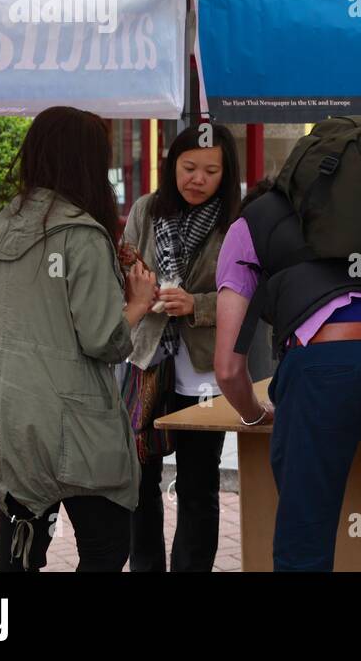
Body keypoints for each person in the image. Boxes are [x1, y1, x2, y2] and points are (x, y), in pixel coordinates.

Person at [212, 138, 361, 572]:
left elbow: (228, 368)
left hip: (331, 354)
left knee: (305, 533)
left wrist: (251, 413)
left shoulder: (250, 224)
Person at [0, 106, 156, 572]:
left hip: (4, 409)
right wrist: (135, 300)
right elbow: (103, 338)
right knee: (106, 546)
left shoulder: (2, 227)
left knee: (21, 551)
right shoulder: (81, 234)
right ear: (86, 161)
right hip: (70, 417)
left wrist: (104, 266)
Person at [121, 124, 242, 572]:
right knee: (140, 477)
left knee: (198, 482)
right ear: (172, 165)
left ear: (225, 175)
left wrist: (196, 304)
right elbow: (125, 268)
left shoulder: (236, 222)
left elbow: (247, 294)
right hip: (149, 356)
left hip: (204, 370)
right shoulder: (146, 210)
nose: (197, 179)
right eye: (188, 167)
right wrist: (140, 293)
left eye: (211, 171)